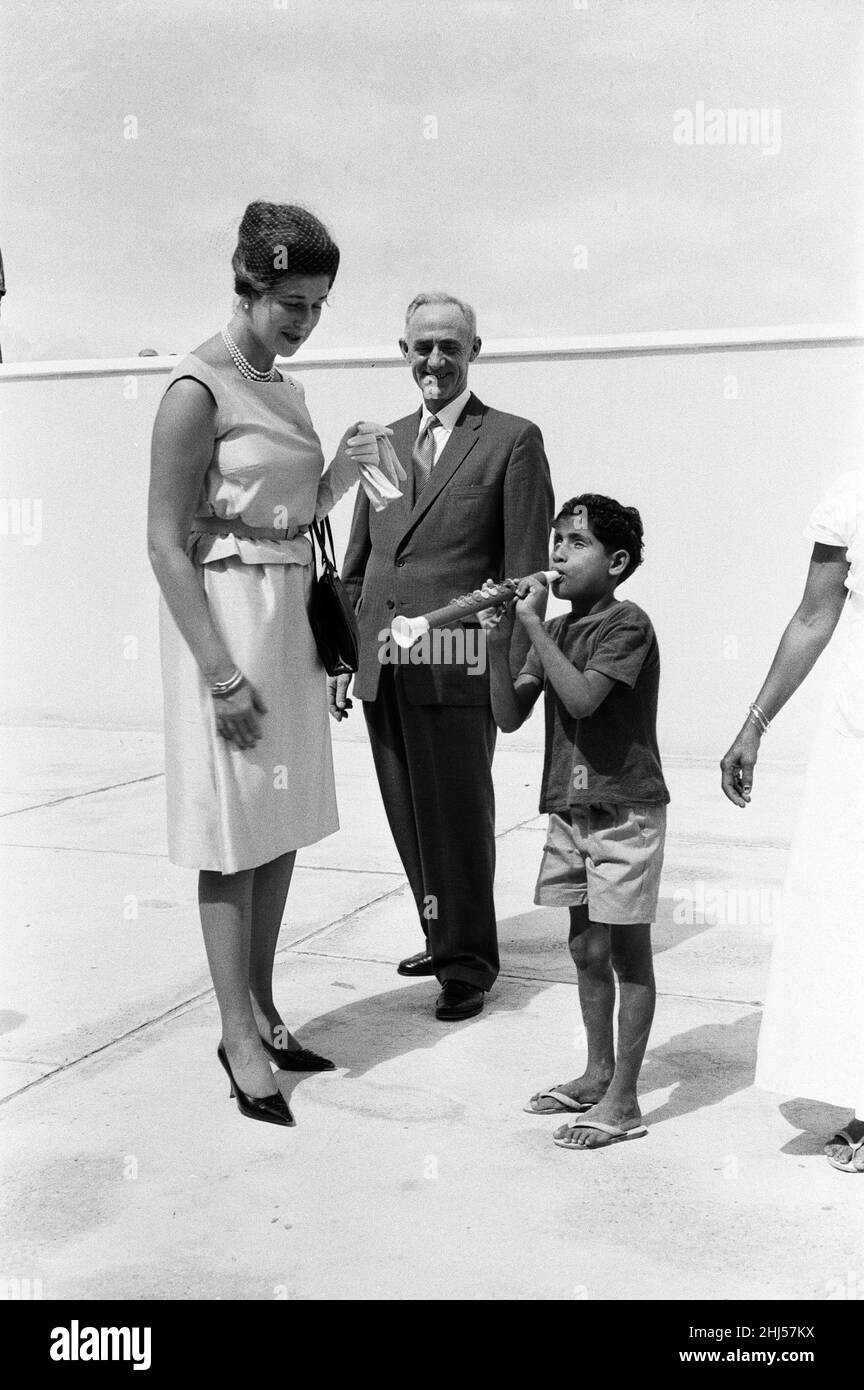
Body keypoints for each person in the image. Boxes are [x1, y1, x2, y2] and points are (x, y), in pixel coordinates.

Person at [148, 201, 387, 1126]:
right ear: (247, 284)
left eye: (319, 304)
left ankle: (263, 1006)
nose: (304, 320)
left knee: (278, 823)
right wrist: (219, 674)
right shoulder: (194, 389)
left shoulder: (285, 389)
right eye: (291, 300)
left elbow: (285, 516)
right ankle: (235, 1034)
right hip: (226, 621)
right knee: (231, 834)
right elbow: (168, 545)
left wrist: (342, 473)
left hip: (286, 615)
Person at [332, 292, 554, 1021]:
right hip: (383, 666)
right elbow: (360, 564)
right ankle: (441, 928)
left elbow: (525, 573)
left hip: (458, 661)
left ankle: (467, 964)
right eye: (421, 346)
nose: (434, 360)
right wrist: (343, 655)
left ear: (473, 351)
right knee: (407, 814)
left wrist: (514, 678)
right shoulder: (382, 442)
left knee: (456, 817)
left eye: (448, 347)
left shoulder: (512, 440)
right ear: (404, 352)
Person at [483, 495, 669, 1149]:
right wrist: (502, 632)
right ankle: (597, 1073)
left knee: (627, 953)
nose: (559, 553)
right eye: (556, 539)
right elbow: (510, 714)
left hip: (625, 813)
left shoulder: (628, 625)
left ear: (616, 562)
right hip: (569, 812)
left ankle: (624, 1103)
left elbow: (585, 699)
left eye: (577, 543)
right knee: (586, 948)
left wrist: (533, 627)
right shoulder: (554, 631)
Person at [721, 472, 864, 1173]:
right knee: (849, 912)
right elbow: (814, 615)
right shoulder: (850, 498)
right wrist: (755, 724)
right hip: (858, 736)